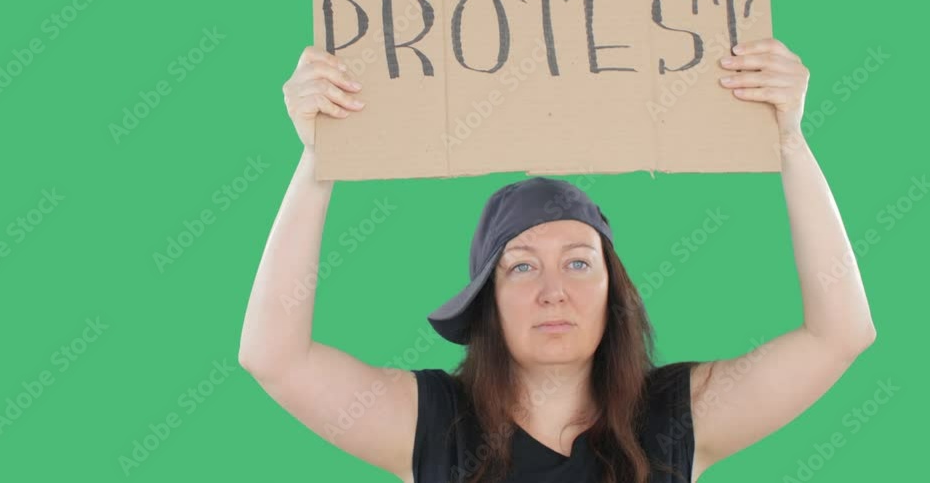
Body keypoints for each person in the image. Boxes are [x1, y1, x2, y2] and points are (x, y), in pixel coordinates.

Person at [238, 39, 876, 483]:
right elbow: (273, 358)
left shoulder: (675, 418)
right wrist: (322, 158)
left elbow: (840, 334)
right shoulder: (433, 424)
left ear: (612, 293)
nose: (552, 291)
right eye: (520, 266)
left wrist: (790, 139)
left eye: (577, 263)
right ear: (486, 298)